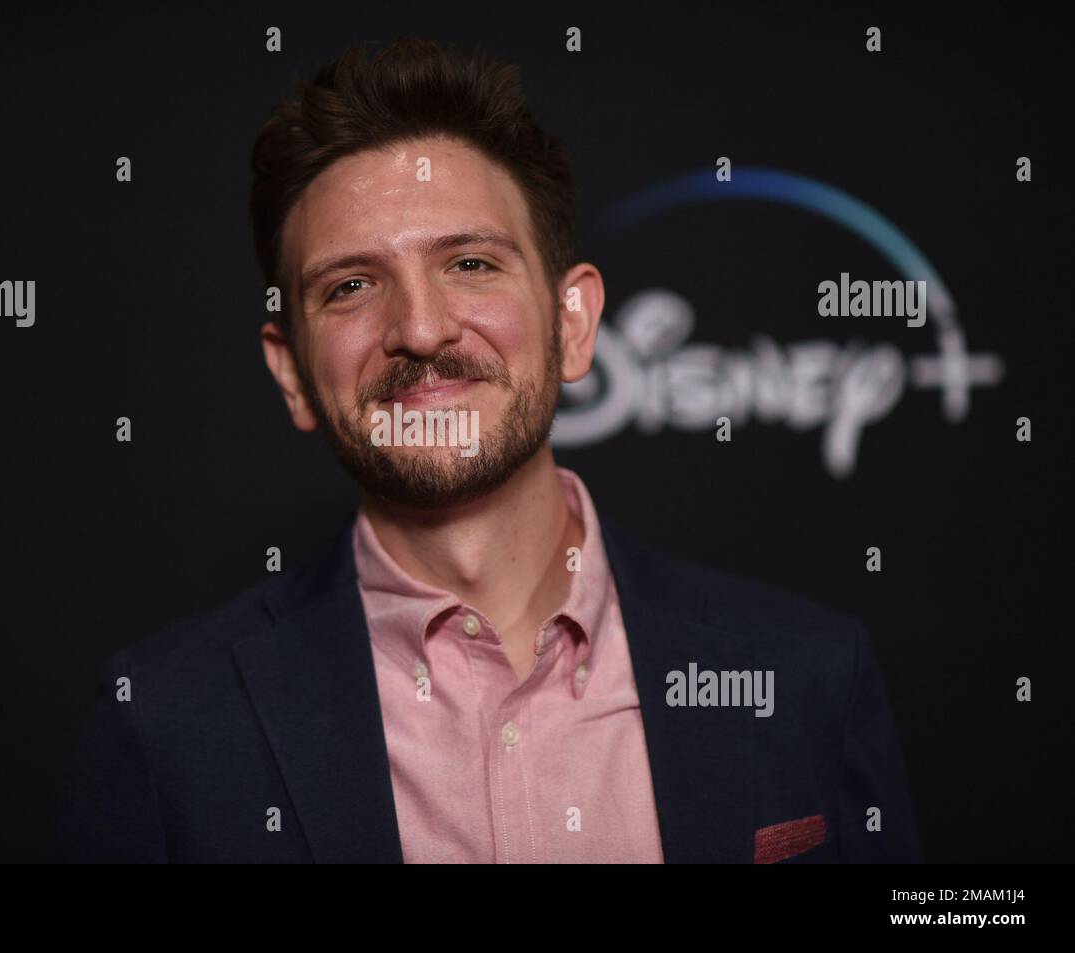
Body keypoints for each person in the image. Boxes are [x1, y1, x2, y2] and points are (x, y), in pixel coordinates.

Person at [52, 36, 921, 863]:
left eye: (470, 263)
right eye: (352, 286)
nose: (421, 330)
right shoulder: (166, 725)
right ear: (291, 373)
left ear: (574, 322)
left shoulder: (803, 675)